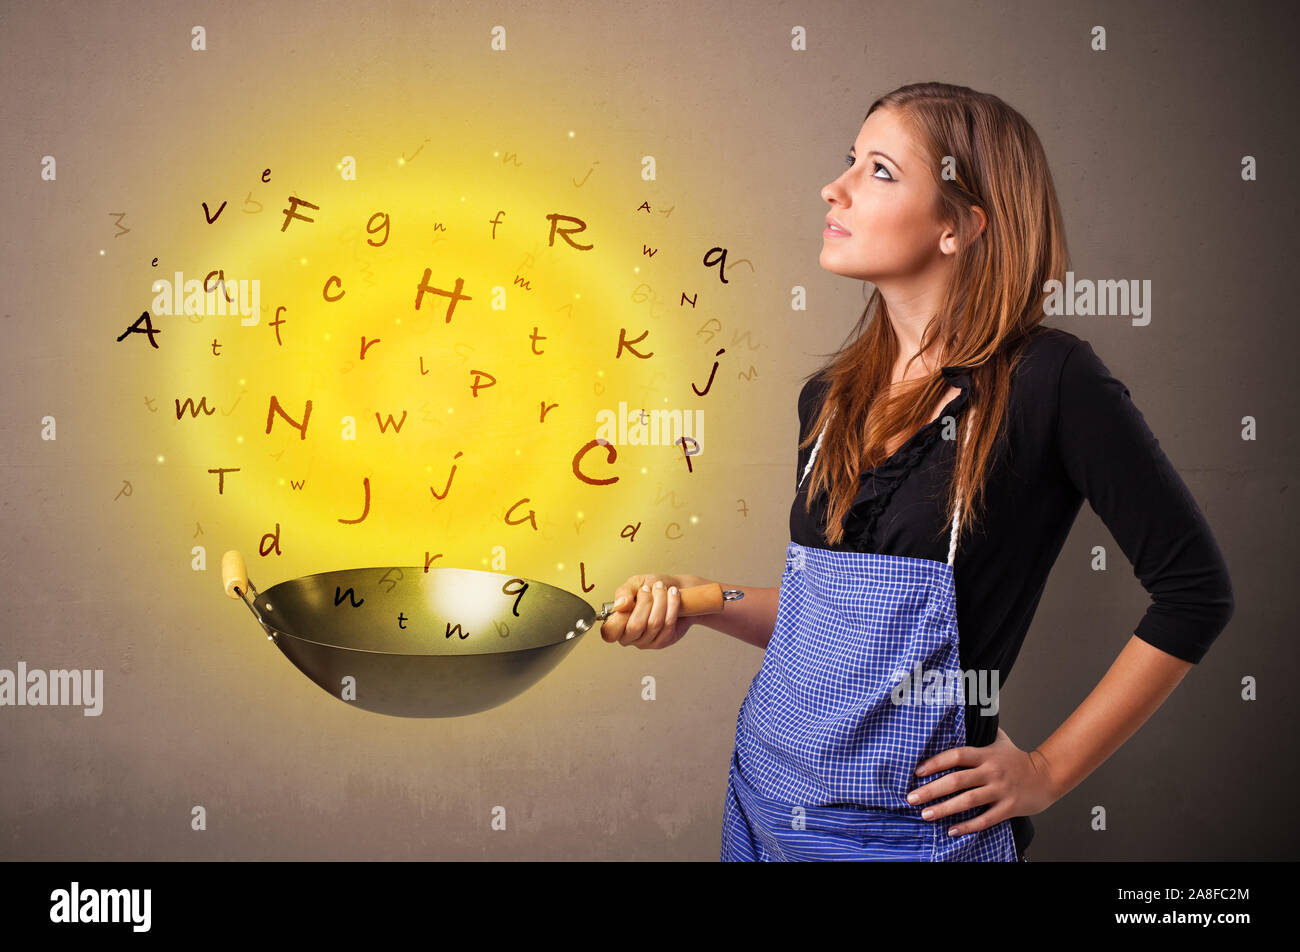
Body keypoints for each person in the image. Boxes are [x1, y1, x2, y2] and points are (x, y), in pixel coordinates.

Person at [598, 82, 1234, 862]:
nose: (835, 189)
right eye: (848, 162)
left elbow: (1195, 592)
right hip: (765, 801)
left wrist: (1045, 771)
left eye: (881, 171)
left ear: (960, 225)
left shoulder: (1049, 381)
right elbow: (834, 628)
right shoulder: (828, 399)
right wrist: (705, 601)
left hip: (910, 834)